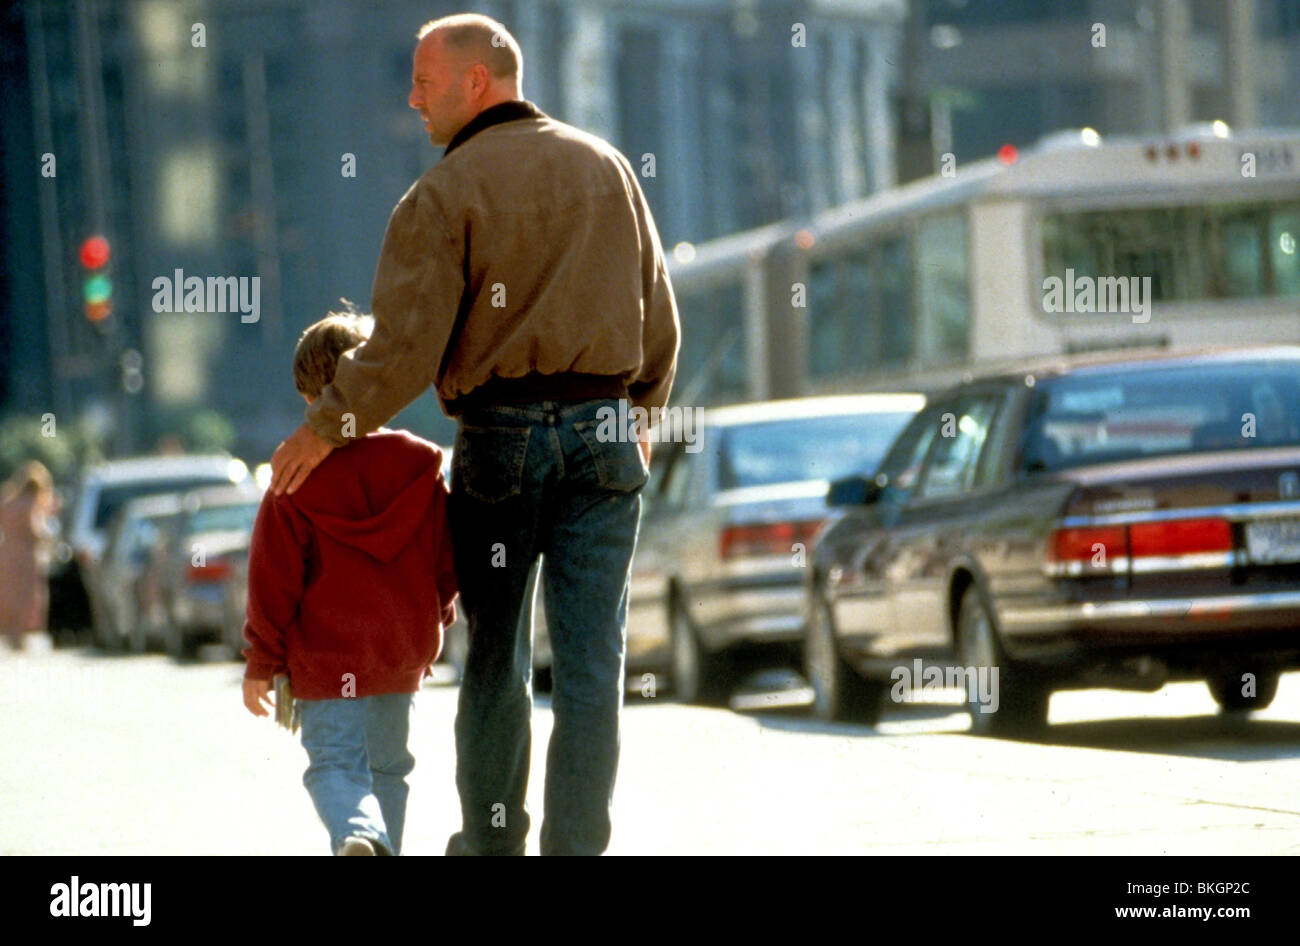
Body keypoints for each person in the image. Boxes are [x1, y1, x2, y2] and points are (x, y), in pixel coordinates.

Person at [269, 12, 679, 855]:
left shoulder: (443, 195)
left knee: (495, 656)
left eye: (423, 81)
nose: (412, 100)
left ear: (475, 82)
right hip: (605, 433)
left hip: (501, 442)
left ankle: (492, 845)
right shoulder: (605, 167)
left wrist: (328, 424)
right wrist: (643, 411)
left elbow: (405, 346)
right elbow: (658, 312)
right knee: (593, 665)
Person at [243, 311, 458, 856]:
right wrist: (438, 614)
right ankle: (376, 841)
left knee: (335, 767)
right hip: (399, 656)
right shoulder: (419, 467)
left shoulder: (295, 476)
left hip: (328, 660)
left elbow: (274, 581)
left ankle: (359, 835)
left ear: (307, 395)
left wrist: (262, 663)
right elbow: (447, 557)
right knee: (389, 770)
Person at [0, 460, 59, 651]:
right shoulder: (30, 505)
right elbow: (35, 530)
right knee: (27, 597)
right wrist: (49, 539)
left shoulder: (8, 501)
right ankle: (19, 638)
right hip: (26, 557)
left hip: (7, 555)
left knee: (9, 596)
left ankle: (10, 634)